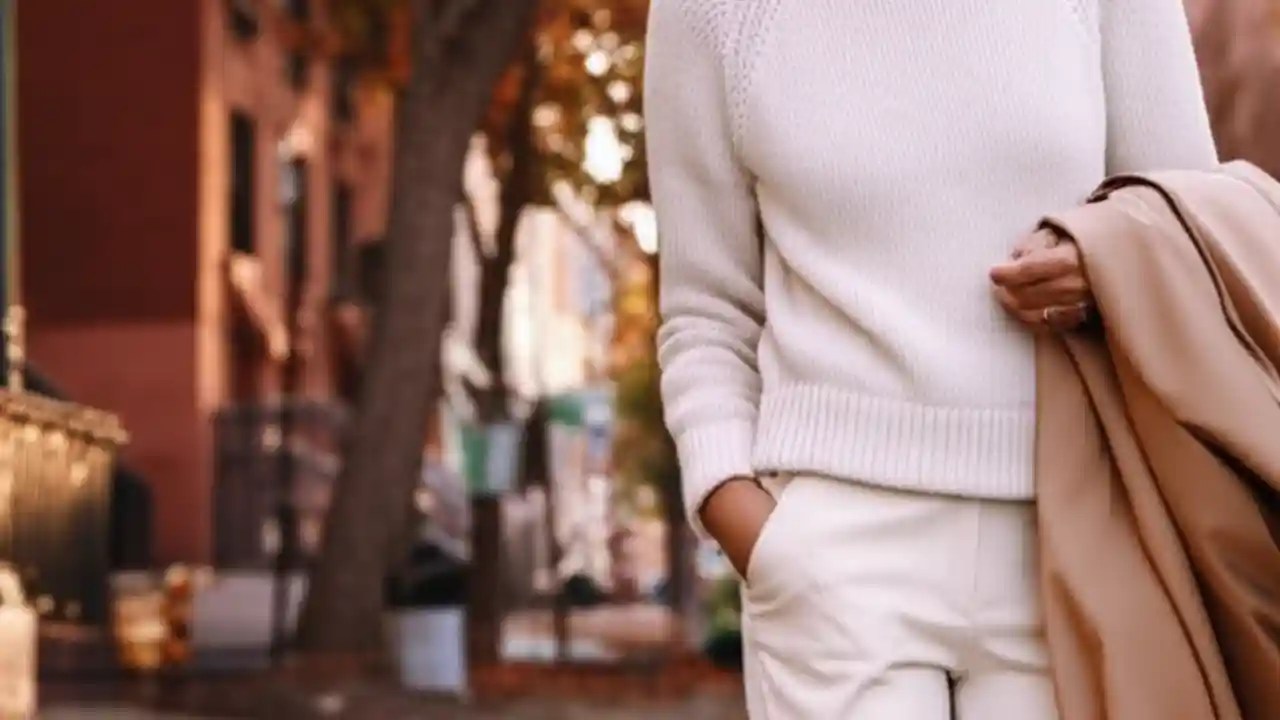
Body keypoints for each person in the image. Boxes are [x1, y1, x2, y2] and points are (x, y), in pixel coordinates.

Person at [643, 1, 1218, 717]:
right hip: (834, 560)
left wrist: (1100, 263)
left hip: (1074, 541)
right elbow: (706, 311)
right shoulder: (715, 12)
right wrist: (747, 522)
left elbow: (1192, 228)